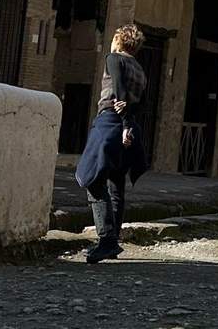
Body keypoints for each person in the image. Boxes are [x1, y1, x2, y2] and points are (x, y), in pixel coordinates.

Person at [75, 24, 149, 264]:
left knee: (92, 179)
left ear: (119, 40)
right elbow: (141, 104)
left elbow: (118, 92)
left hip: (110, 123)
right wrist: (129, 123)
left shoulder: (114, 59)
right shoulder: (140, 70)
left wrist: (125, 122)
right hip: (130, 127)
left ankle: (106, 240)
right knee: (116, 183)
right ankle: (113, 240)